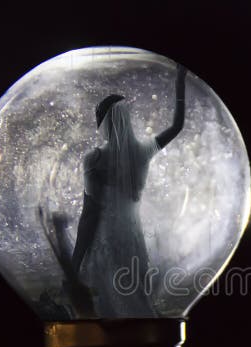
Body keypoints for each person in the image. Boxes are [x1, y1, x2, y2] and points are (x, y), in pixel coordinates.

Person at [67, 64, 187, 317]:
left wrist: (74, 262)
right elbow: (176, 127)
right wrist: (180, 80)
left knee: (107, 300)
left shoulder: (95, 158)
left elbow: (90, 213)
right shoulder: (142, 152)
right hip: (132, 237)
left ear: (104, 123)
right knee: (132, 294)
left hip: (106, 237)